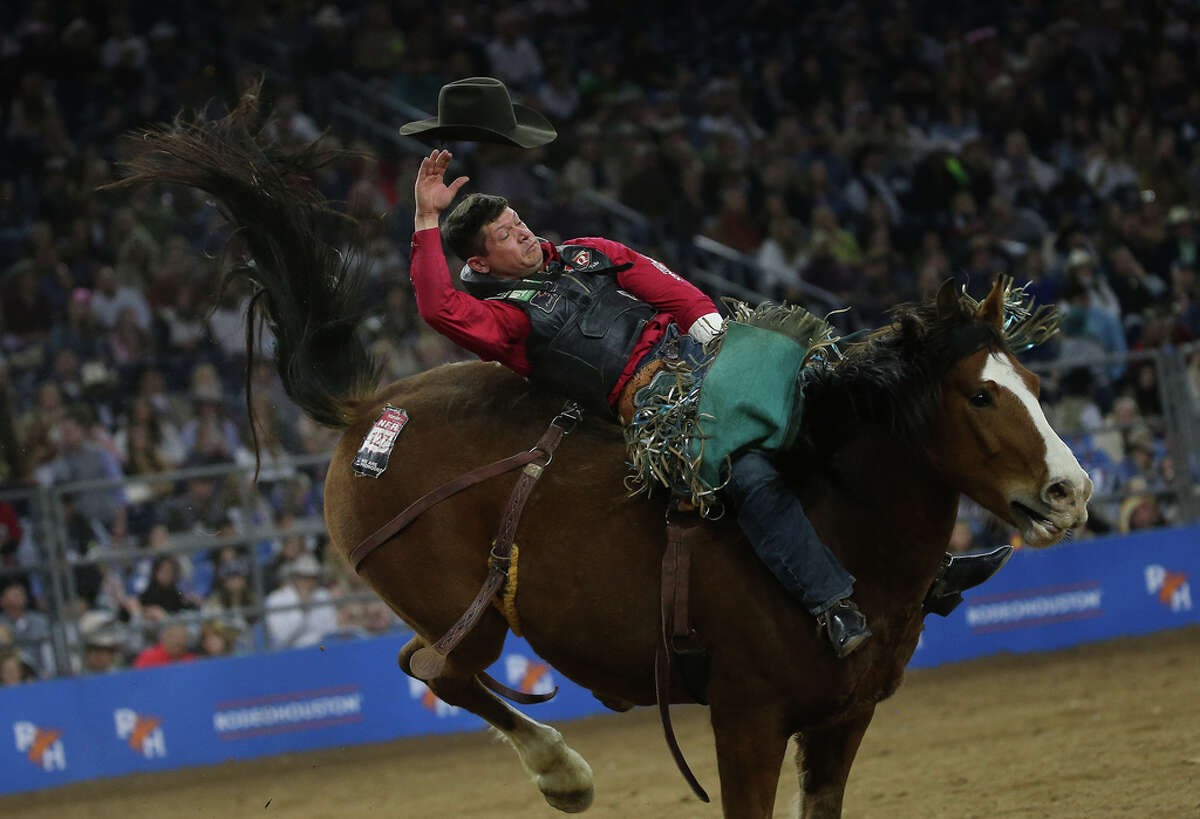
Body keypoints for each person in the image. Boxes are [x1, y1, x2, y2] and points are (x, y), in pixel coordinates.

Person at [408, 148, 1011, 657]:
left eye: (517, 220)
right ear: (480, 262)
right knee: (748, 474)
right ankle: (831, 603)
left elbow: (657, 281)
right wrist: (426, 219)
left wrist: (708, 323)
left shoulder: (587, 251)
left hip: (706, 356)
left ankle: (929, 571)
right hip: (655, 409)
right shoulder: (504, 320)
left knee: (846, 405)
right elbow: (438, 308)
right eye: (504, 235)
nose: (522, 232)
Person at [264, 553, 338, 650]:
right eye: (304, 577)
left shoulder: (322, 595)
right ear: (295, 577)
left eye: (313, 577)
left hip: (322, 649)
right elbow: (282, 638)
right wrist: (302, 609)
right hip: (291, 652)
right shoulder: (276, 599)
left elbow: (331, 628)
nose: (309, 582)